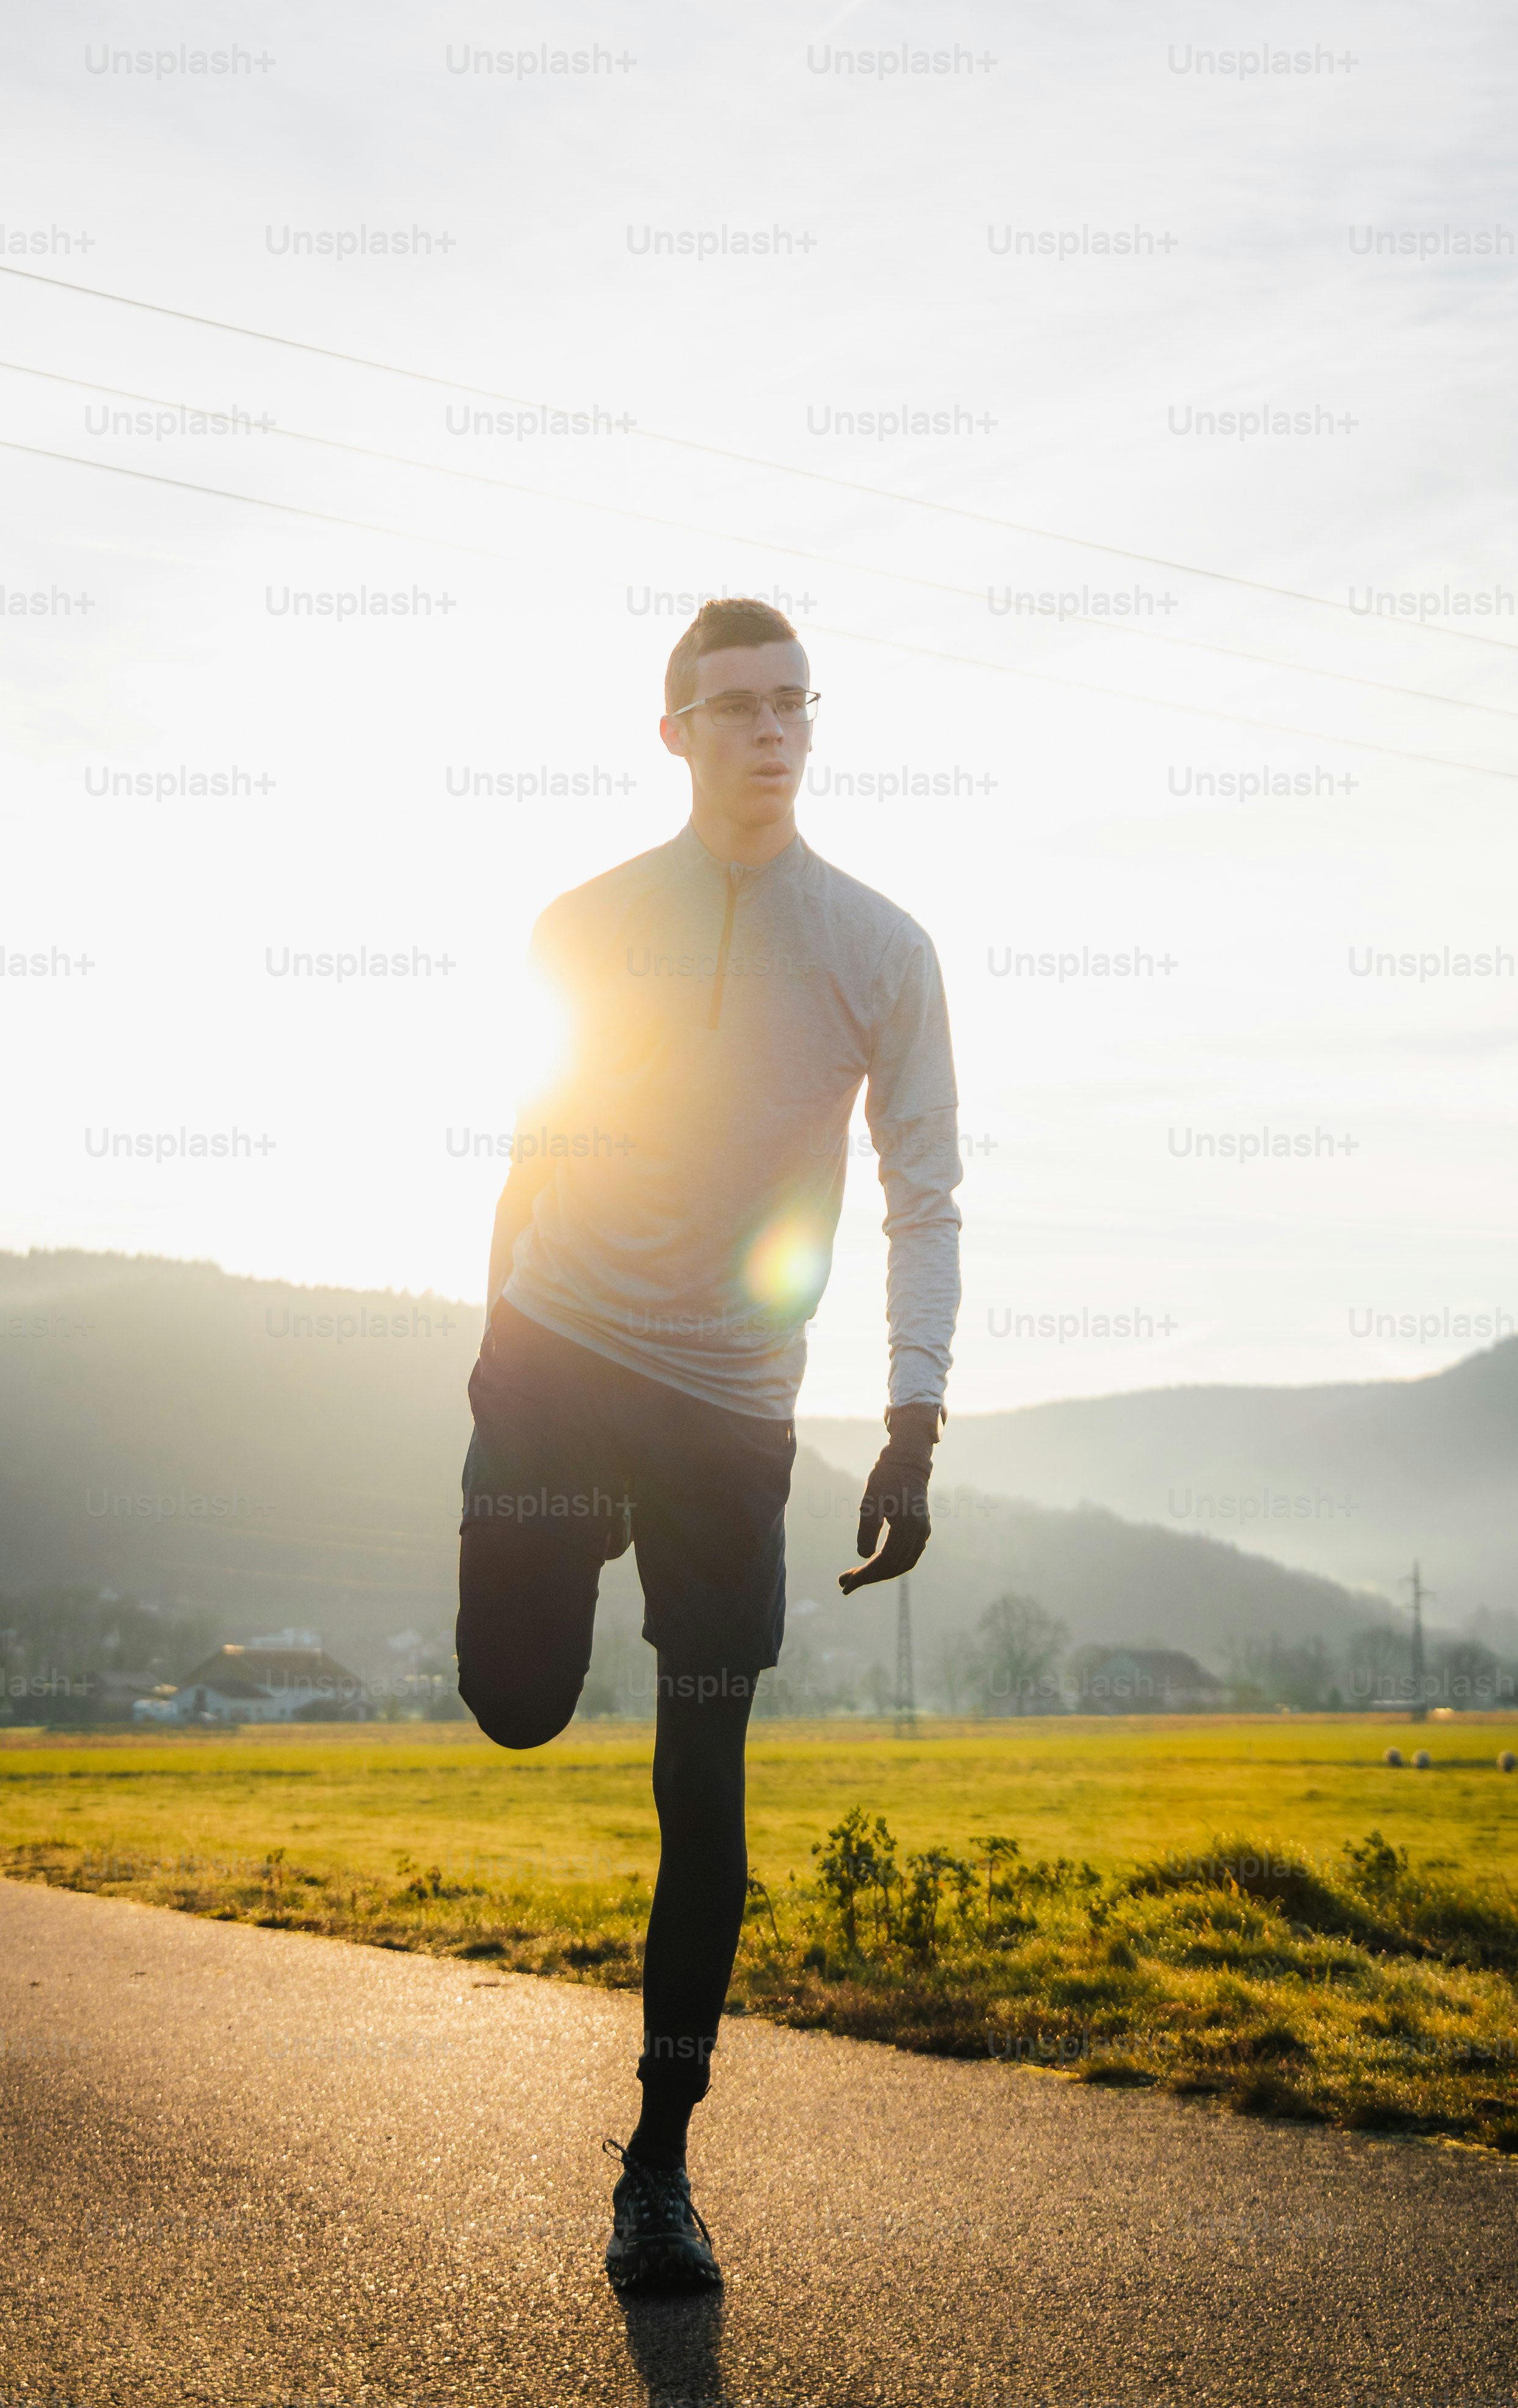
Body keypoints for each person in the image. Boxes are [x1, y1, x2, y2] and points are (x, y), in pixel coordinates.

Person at [456, 596, 962, 2291]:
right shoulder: (586, 922)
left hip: (734, 1409)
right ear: (674, 732)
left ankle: (659, 2169)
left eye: (794, 704)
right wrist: (494, 1366)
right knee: (517, 1703)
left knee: (706, 1788)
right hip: (559, 1357)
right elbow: (530, 1152)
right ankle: (562, 1517)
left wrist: (911, 1419)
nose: (771, 730)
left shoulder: (883, 948)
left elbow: (925, 1196)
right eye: (737, 705)